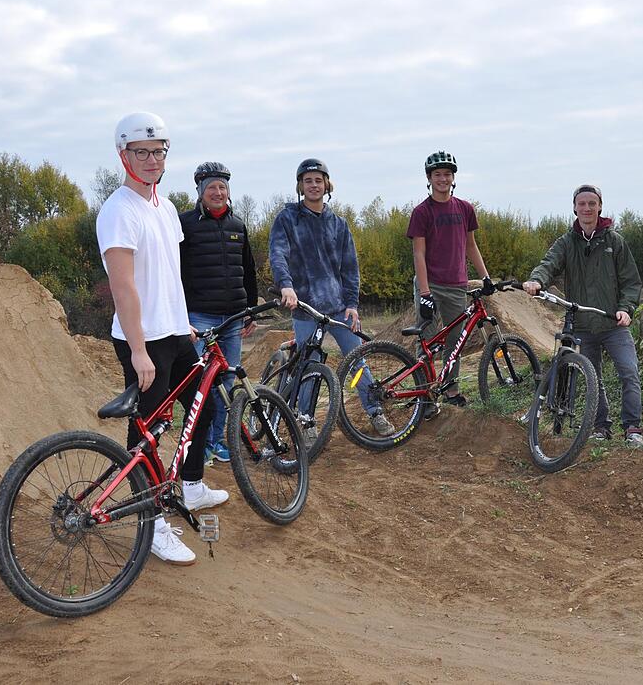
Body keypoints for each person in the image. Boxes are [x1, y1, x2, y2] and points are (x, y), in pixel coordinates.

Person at [96, 112, 229, 566]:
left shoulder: (166, 207)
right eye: (142, 152)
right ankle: (149, 522)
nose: (152, 160)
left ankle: (190, 486)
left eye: (159, 151)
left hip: (175, 331)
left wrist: (183, 320)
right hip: (143, 340)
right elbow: (124, 286)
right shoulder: (118, 211)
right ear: (123, 155)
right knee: (149, 431)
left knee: (205, 404)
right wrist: (137, 350)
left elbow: (168, 275)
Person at [269, 158, 394, 446]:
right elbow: (278, 254)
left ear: (327, 185)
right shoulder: (287, 219)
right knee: (309, 365)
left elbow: (350, 268)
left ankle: (374, 411)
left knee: (358, 361)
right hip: (305, 307)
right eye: (308, 180)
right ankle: (306, 419)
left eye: (318, 180)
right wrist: (286, 286)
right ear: (300, 186)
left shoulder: (338, 224)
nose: (313, 185)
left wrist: (352, 303)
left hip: (338, 307)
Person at [523, 184, 643, 446]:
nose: (587, 208)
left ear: (600, 206)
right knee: (594, 379)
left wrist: (626, 308)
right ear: (575, 207)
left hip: (613, 323)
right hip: (581, 324)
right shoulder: (567, 242)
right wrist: (536, 281)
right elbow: (549, 264)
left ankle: (633, 427)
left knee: (629, 371)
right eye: (582, 204)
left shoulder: (615, 242)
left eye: (592, 203)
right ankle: (601, 427)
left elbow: (631, 282)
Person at [179, 162, 258, 464]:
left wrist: (249, 310)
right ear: (200, 191)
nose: (218, 192)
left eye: (222, 187)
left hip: (233, 319)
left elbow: (248, 271)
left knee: (226, 384)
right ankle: (195, 447)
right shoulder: (185, 224)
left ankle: (215, 443)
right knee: (199, 385)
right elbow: (174, 272)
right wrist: (180, 316)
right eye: (211, 187)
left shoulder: (238, 226)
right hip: (199, 318)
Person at [406, 150, 494, 415]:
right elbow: (418, 253)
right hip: (430, 284)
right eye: (437, 175)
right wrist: (424, 292)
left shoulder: (465, 209)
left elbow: (471, 245)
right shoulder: (422, 212)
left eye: (447, 174)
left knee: (455, 341)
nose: (442, 179)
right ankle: (427, 399)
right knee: (429, 341)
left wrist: (486, 276)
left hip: (457, 284)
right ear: (429, 179)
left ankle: (451, 390)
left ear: (453, 178)